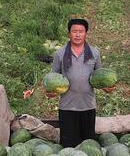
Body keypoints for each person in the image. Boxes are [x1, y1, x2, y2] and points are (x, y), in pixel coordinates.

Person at [47, 18, 114, 147]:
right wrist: (51, 92)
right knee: (68, 145)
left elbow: (98, 77)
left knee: (88, 146)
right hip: (67, 107)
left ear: (86, 33)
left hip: (88, 106)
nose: (77, 34)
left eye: (81, 31)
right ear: (69, 34)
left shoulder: (94, 53)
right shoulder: (60, 54)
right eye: (74, 31)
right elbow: (53, 77)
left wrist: (106, 87)